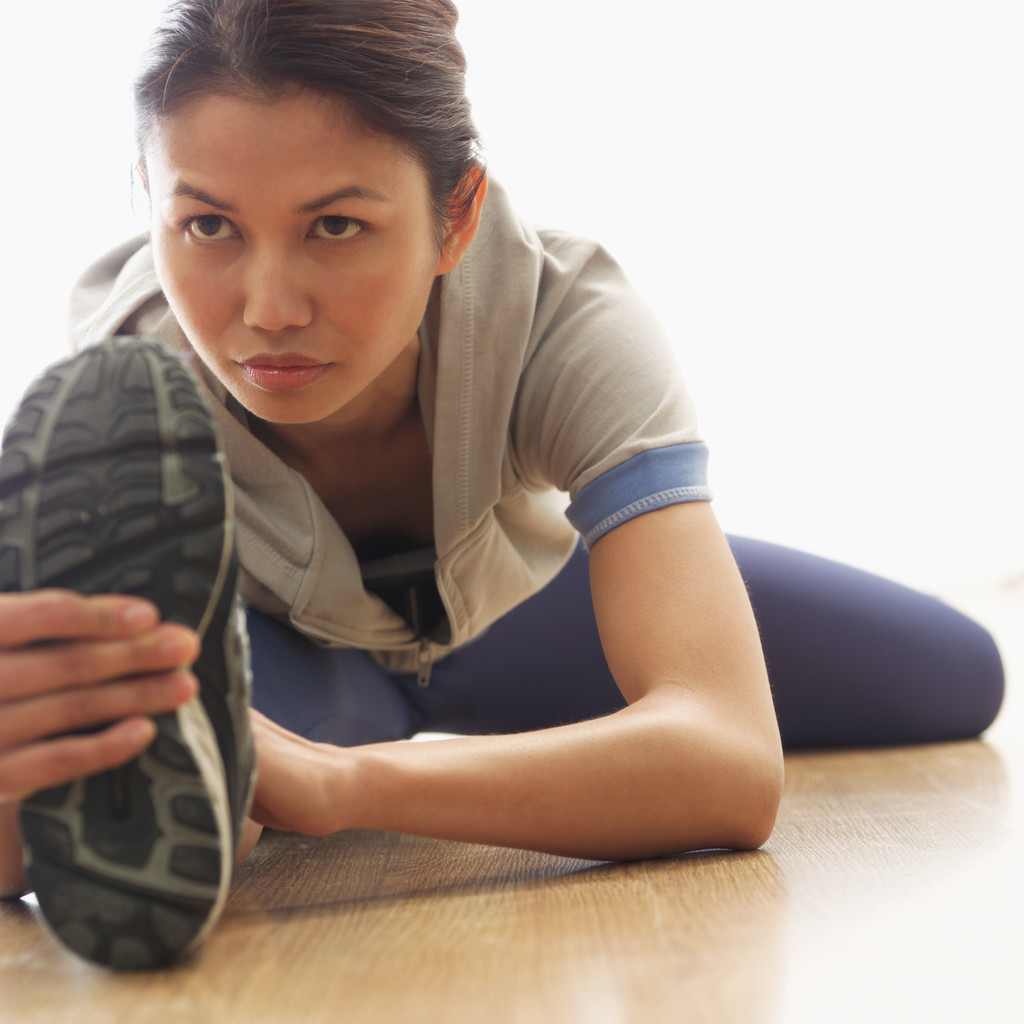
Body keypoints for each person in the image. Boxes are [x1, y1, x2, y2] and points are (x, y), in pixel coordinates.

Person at [0, 0, 1004, 969]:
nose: (266, 309)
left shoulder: (566, 320)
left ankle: (295, 757)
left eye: (336, 226)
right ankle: (237, 764)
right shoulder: (125, 393)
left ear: (457, 214)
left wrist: (345, 785)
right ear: (148, 194)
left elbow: (730, 763)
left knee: (954, 672)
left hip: (525, 605)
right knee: (215, 792)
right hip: (278, 642)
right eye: (209, 224)